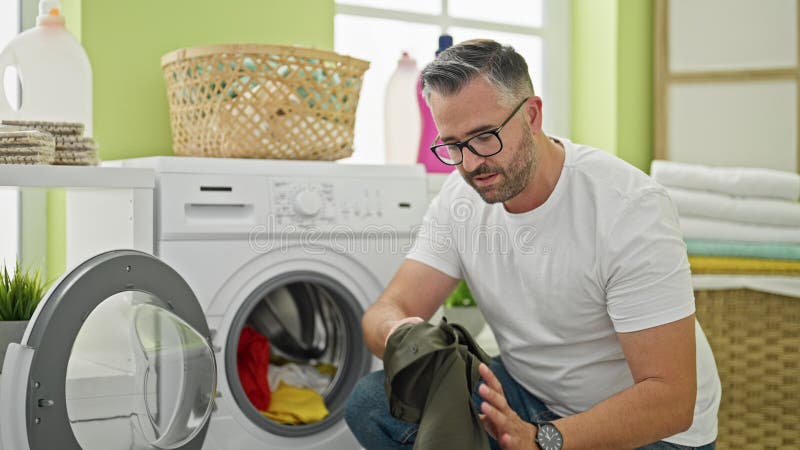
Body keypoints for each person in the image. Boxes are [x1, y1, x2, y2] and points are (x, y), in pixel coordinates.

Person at [345, 39, 720, 450]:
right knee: (370, 403)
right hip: (530, 396)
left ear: (532, 115)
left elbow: (671, 400)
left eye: (485, 137)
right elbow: (383, 312)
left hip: (655, 433)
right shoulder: (460, 199)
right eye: (453, 145)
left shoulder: (629, 209)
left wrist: (541, 440)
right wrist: (405, 335)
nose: (470, 164)